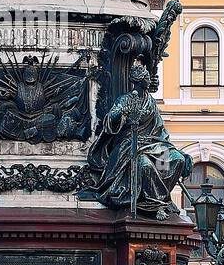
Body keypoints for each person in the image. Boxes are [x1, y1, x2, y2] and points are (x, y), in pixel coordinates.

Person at [81, 61, 192, 218]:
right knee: (145, 165)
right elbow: (110, 121)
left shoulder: (151, 101)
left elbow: (160, 129)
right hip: (130, 145)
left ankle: (163, 199)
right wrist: (120, 114)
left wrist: (172, 148)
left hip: (154, 145)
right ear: (141, 81)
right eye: (147, 77)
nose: (151, 80)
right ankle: (154, 204)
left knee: (177, 160)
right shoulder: (125, 99)